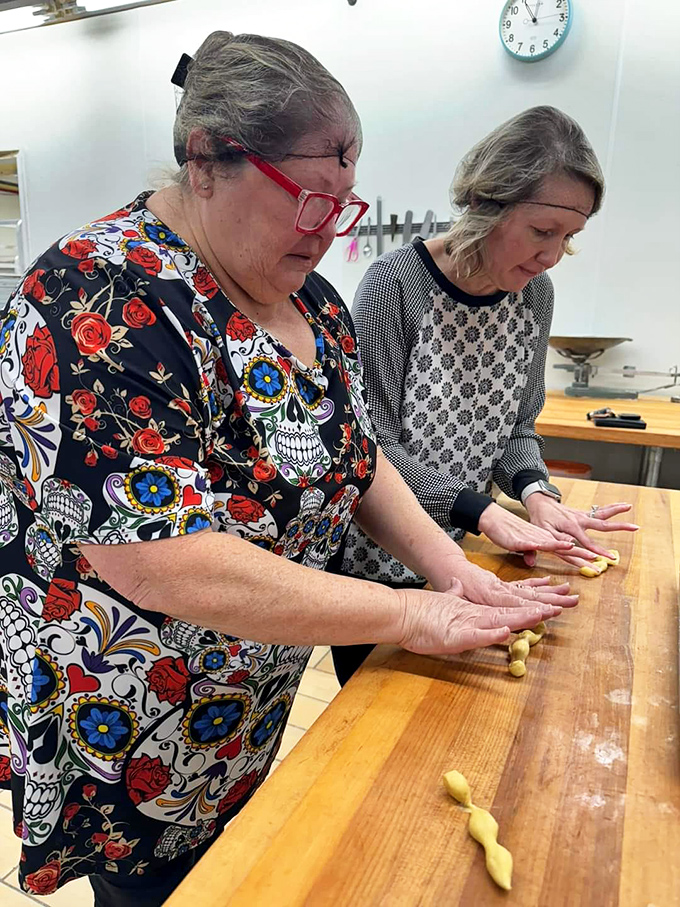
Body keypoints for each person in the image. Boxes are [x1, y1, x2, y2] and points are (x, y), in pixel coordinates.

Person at [0, 37, 572, 906]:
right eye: (310, 200)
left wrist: (454, 570)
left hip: (245, 704)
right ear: (207, 164)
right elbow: (160, 557)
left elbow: (359, 455)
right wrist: (412, 612)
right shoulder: (96, 300)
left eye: (344, 205)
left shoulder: (307, 300)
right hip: (135, 720)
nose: (328, 231)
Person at [334, 106, 637, 685]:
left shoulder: (533, 295)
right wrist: (485, 512)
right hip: (385, 562)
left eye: (568, 237)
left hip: (480, 550)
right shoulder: (396, 285)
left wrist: (538, 495)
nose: (552, 255)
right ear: (484, 206)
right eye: (542, 231)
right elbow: (373, 443)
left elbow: (517, 430)